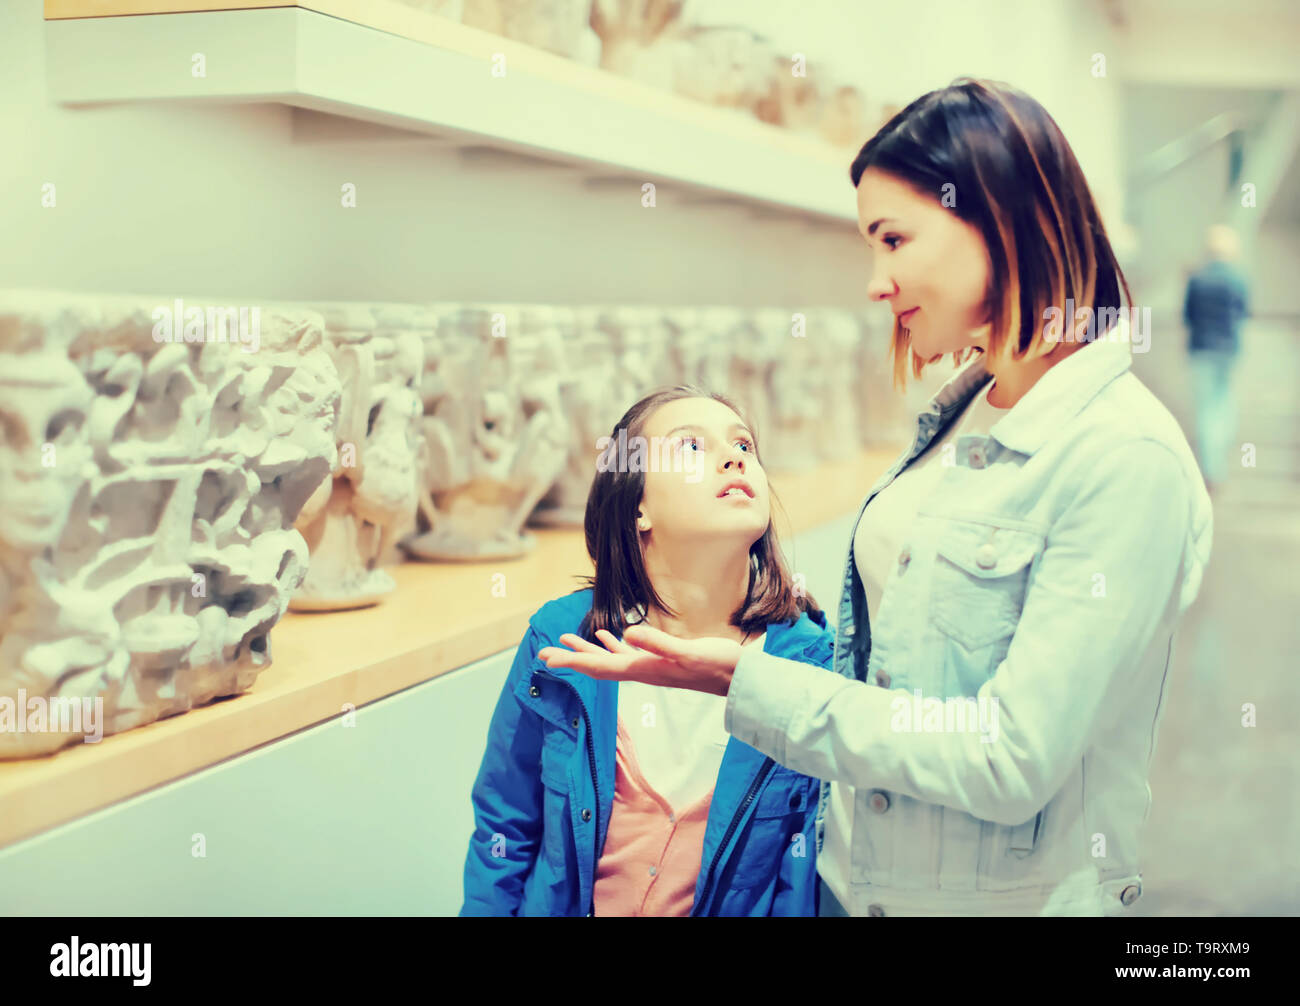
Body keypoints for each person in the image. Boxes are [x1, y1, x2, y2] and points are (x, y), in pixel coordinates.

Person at [539, 78, 1214, 917]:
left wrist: (750, 683)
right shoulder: (965, 408)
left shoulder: (1123, 459)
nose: (876, 282)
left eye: (894, 240)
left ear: (998, 221)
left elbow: (1010, 758)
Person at [460, 386, 837, 916]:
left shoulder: (813, 667)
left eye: (745, 446)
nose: (734, 458)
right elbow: (505, 826)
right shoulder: (563, 637)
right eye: (692, 447)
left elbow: (801, 885)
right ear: (638, 506)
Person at [1184, 224, 1250, 494]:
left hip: (1202, 349)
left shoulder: (1197, 279)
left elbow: (1188, 316)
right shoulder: (1238, 279)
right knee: (1224, 403)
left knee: (1206, 408)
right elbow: (1244, 313)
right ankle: (1219, 459)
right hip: (1228, 350)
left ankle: (1211, 468)